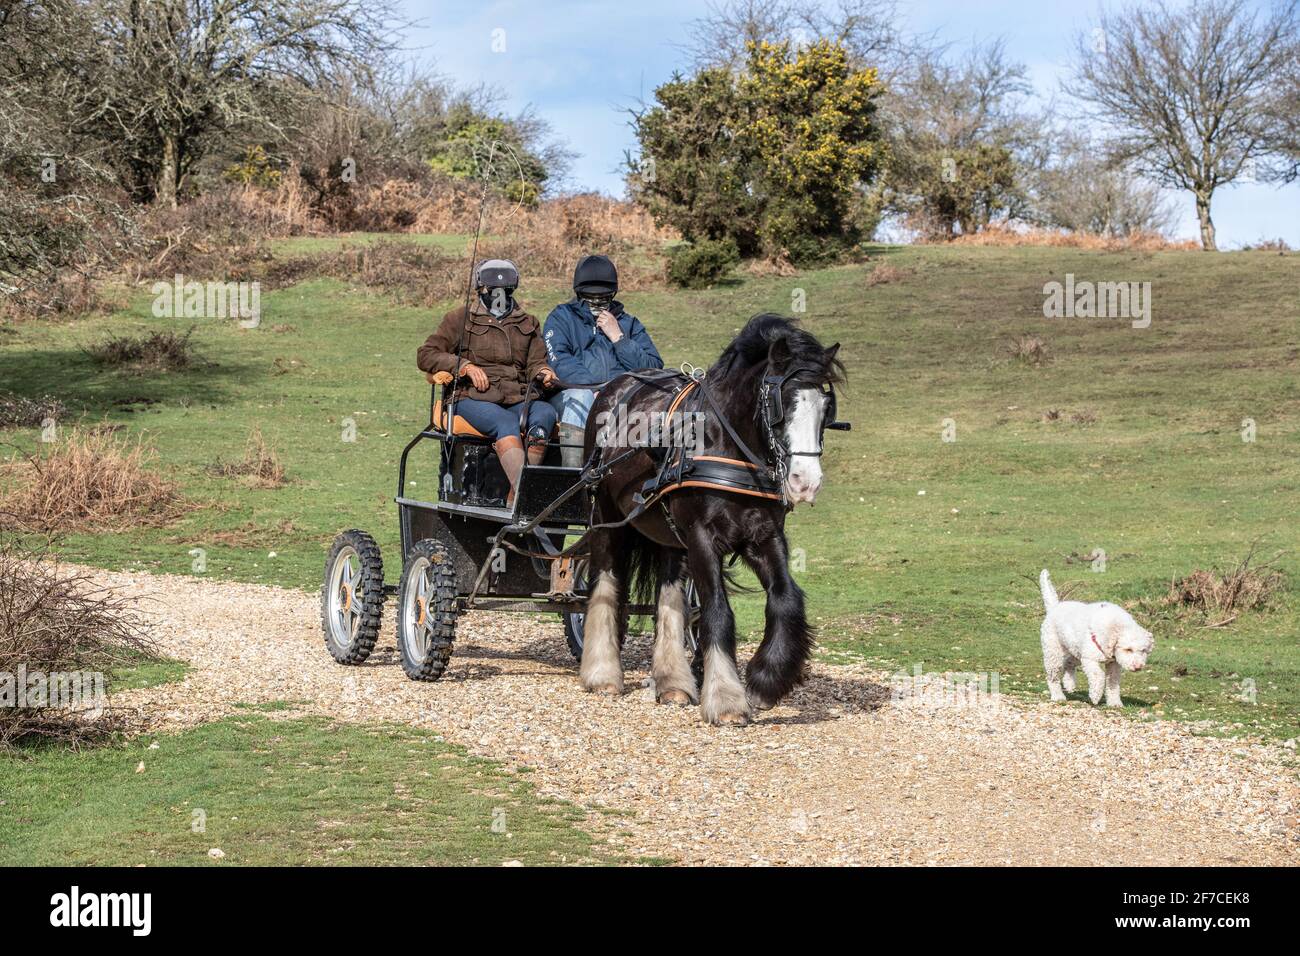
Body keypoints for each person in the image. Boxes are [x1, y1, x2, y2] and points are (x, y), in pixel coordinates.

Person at [417, 259, 557, 503]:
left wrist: (544, 371)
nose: (499, 296)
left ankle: (516, 495)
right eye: (493, 292)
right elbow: (426, 354)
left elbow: (536, 361)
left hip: (516, 396)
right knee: (504, 422)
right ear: (480, 290)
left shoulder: (528, 322)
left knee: (545, 415)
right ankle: (527, 496)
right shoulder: (460, 319)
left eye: (505, 291)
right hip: (470, 397)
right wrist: (464, 366)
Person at [543, 254, 663, 465]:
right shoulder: (561, 318)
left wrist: (619, 338)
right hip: (574, 394)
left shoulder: (629, 323)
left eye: (604, 298)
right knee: (580, 398)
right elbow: (559, 360)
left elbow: (653, 367)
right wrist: (594, 390)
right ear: (579, 293)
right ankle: (574, 475)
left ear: (613, 294)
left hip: (620, 397)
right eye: (590, 298)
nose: (597, 303)